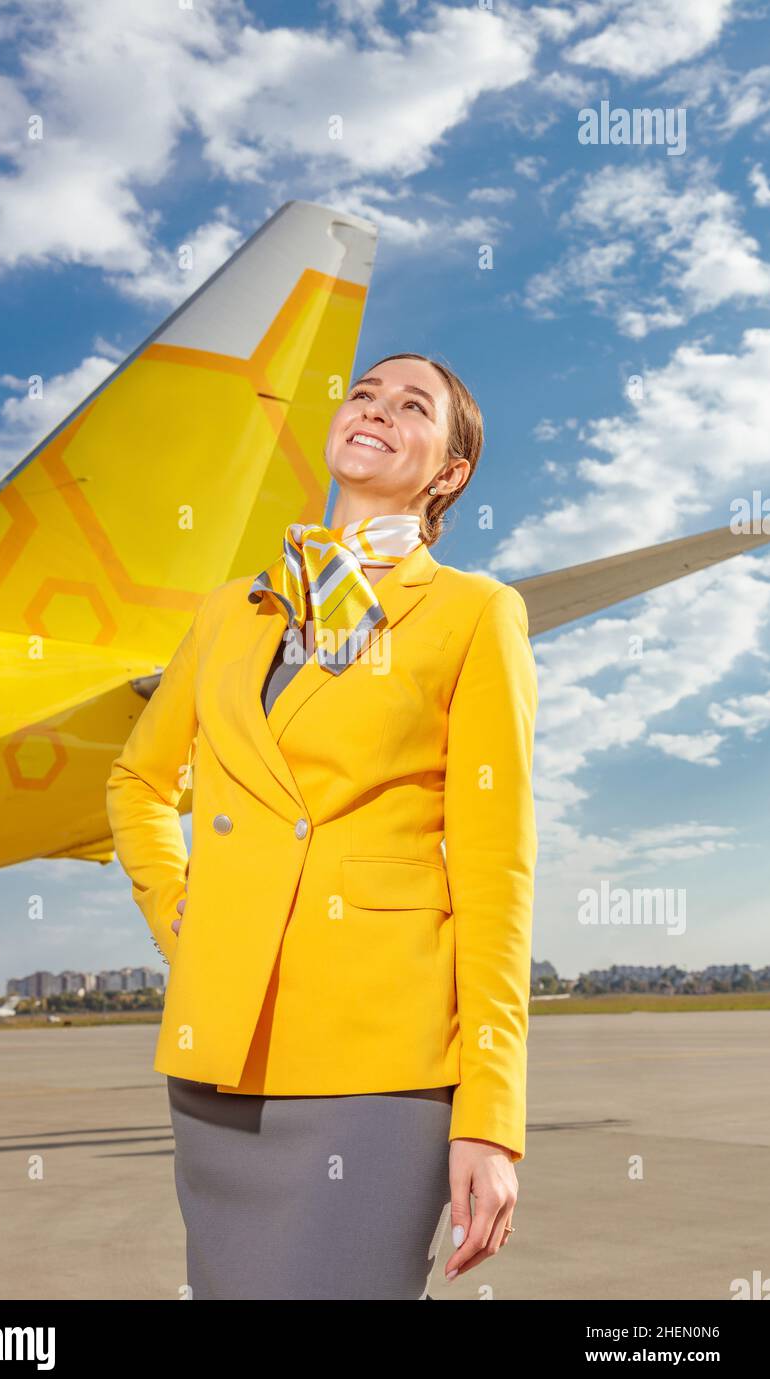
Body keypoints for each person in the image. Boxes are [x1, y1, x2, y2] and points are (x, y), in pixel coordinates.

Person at [105, 352, 539, 1300]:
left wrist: (490, 1118)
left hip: (379, 1059)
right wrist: (180, 917)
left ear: (449, 472)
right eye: (364, 393)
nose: (376, 409)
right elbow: (139, 780)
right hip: (223, 1052)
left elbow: (496, 872)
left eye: (412, 406)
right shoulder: (233, 610)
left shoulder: (474, 614)